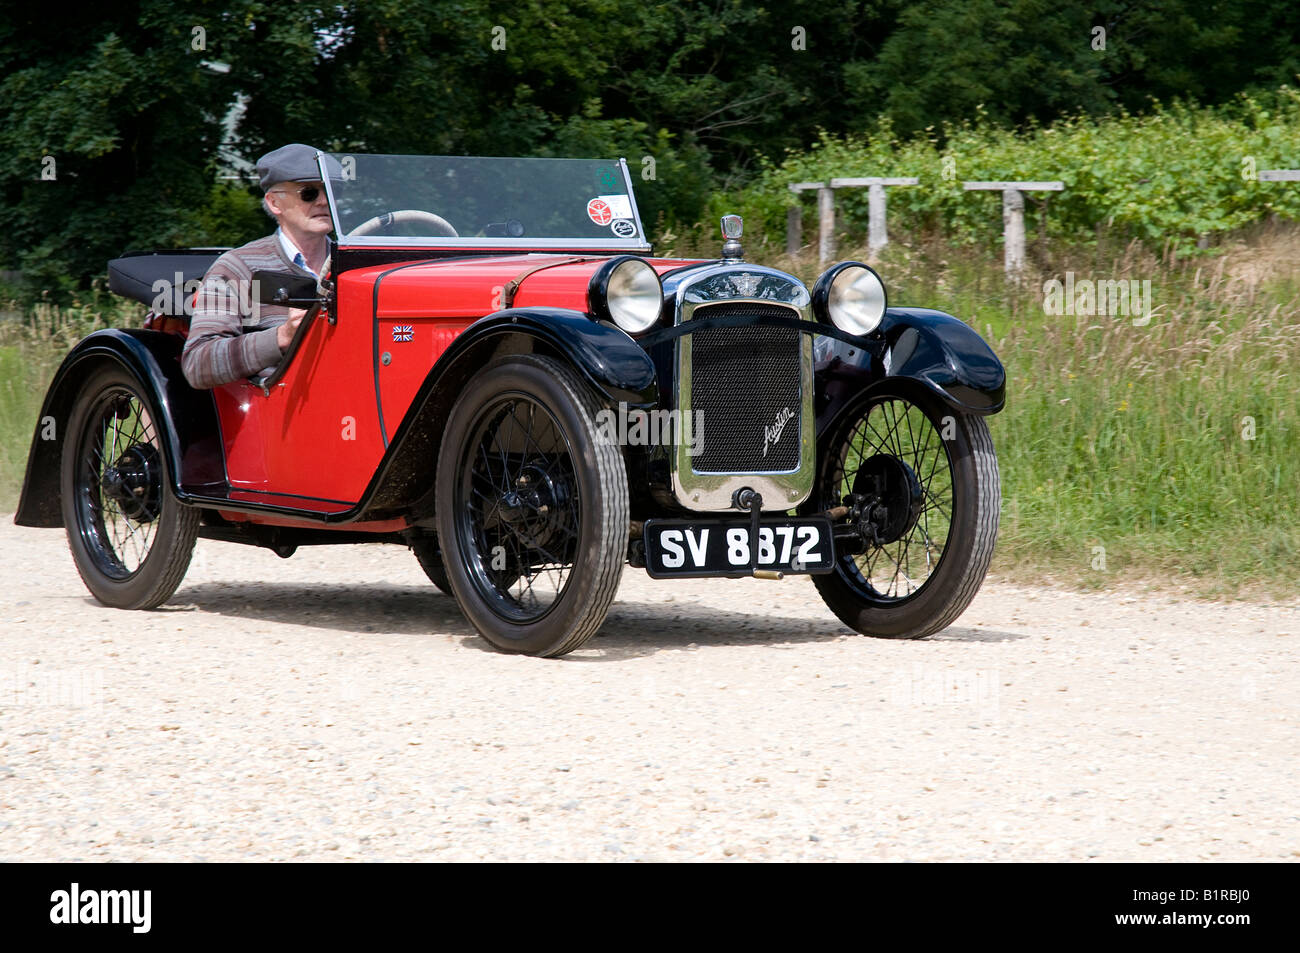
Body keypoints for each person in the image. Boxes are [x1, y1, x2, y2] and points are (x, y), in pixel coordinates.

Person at [181, 143, 341, 389]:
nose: (322, 202)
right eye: (308, 193)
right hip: (281, 411)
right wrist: (282, 336)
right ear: (275, 203)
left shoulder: (358, 264)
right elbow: (198, 364)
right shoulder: (237, 267)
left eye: (329, 192)